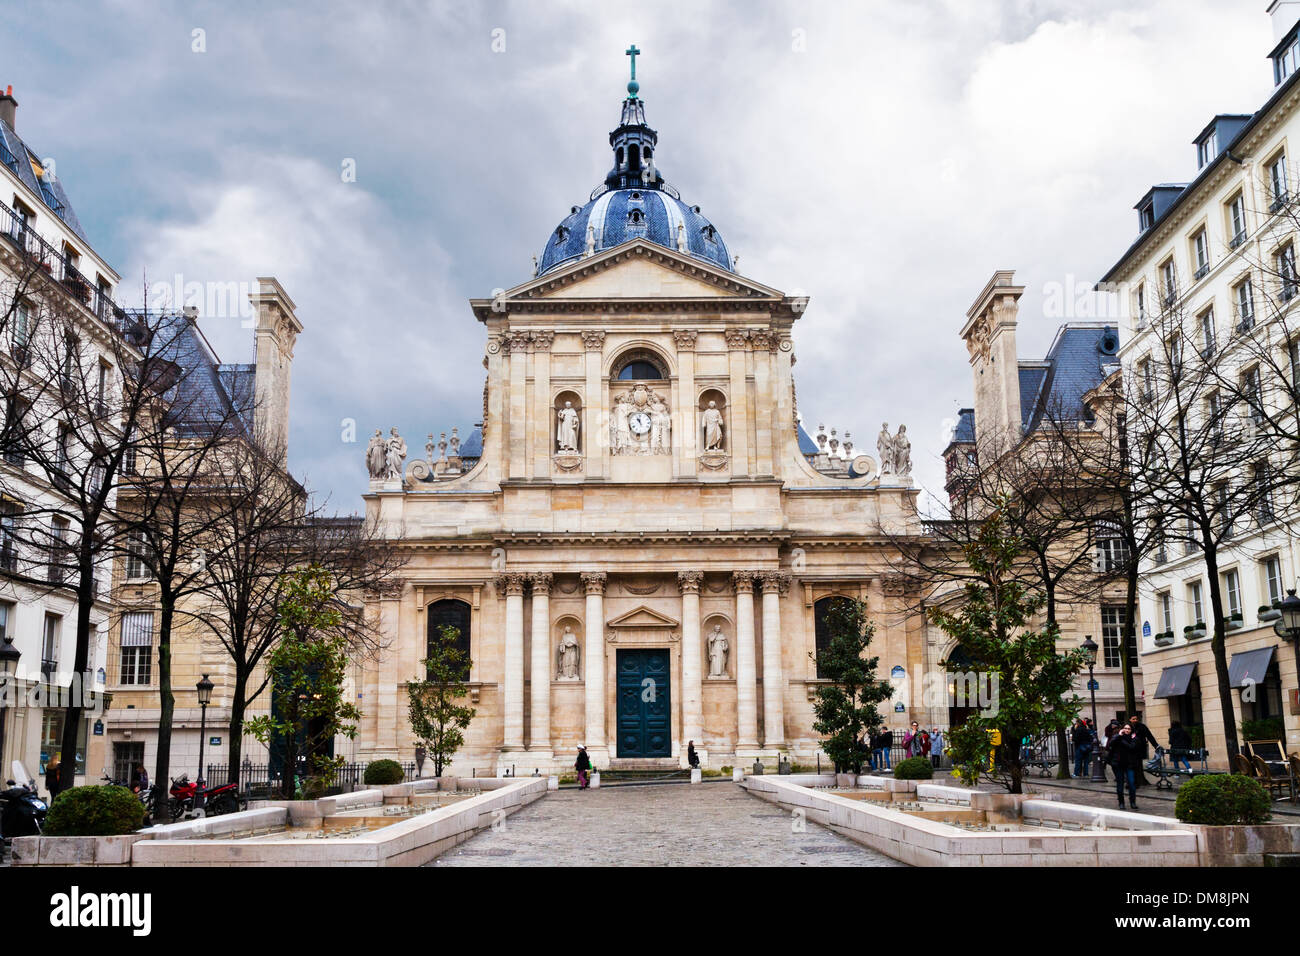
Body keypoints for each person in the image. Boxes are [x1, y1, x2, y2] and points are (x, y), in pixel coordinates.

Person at [1109, 724, 1142, 809]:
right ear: (1122, 729)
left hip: (1129, 764)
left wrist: (1121, 740)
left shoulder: (1134, 738)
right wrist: (1119, 736)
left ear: (1131, 730)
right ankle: (1121, 803)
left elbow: (1132, 747)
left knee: (1131, 783)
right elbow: (1110, 743)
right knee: (1120, 783)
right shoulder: (1118, 736)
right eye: (1125, 728)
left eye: (1129, 729)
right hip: (1118, 764)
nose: (1127, 730)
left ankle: (1133, 802)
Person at [1127, 714, 1160, 787]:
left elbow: (1149, 736)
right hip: (1130, 749)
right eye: (1133, 719)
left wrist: (1155, 745)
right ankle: (1131, 782)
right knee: (1131, 765)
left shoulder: (1142, 726)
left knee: (1138, 764)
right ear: (1130, 720)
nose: (1135, 720)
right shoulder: (1128, 727)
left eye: (1136, 718)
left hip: (1140, 748)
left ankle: (1137, 781)